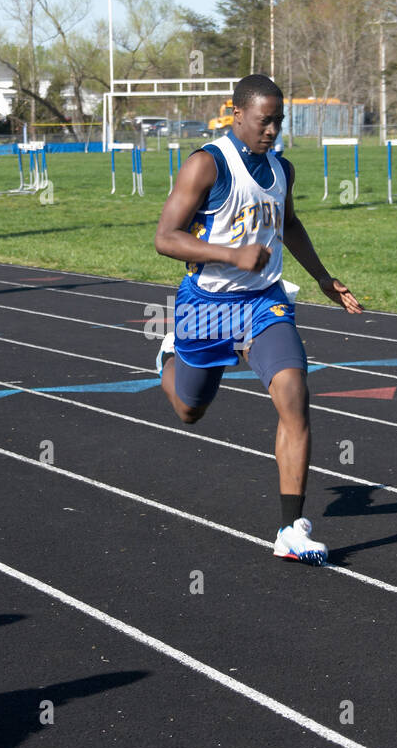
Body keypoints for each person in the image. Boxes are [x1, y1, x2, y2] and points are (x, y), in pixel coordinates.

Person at [153, 74, 363, 566]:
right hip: (205, 305)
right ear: (237, 114)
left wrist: (323, 278)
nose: (272, 130)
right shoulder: (207, 164)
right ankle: (168, 354)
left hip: (263, 301)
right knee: (189, 410)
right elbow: (166, 237)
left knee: (293, 392)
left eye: (279, 121)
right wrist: (229, 254)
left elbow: (288, 223)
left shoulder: (281, 168)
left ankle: (291, 528)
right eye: (264, 120)